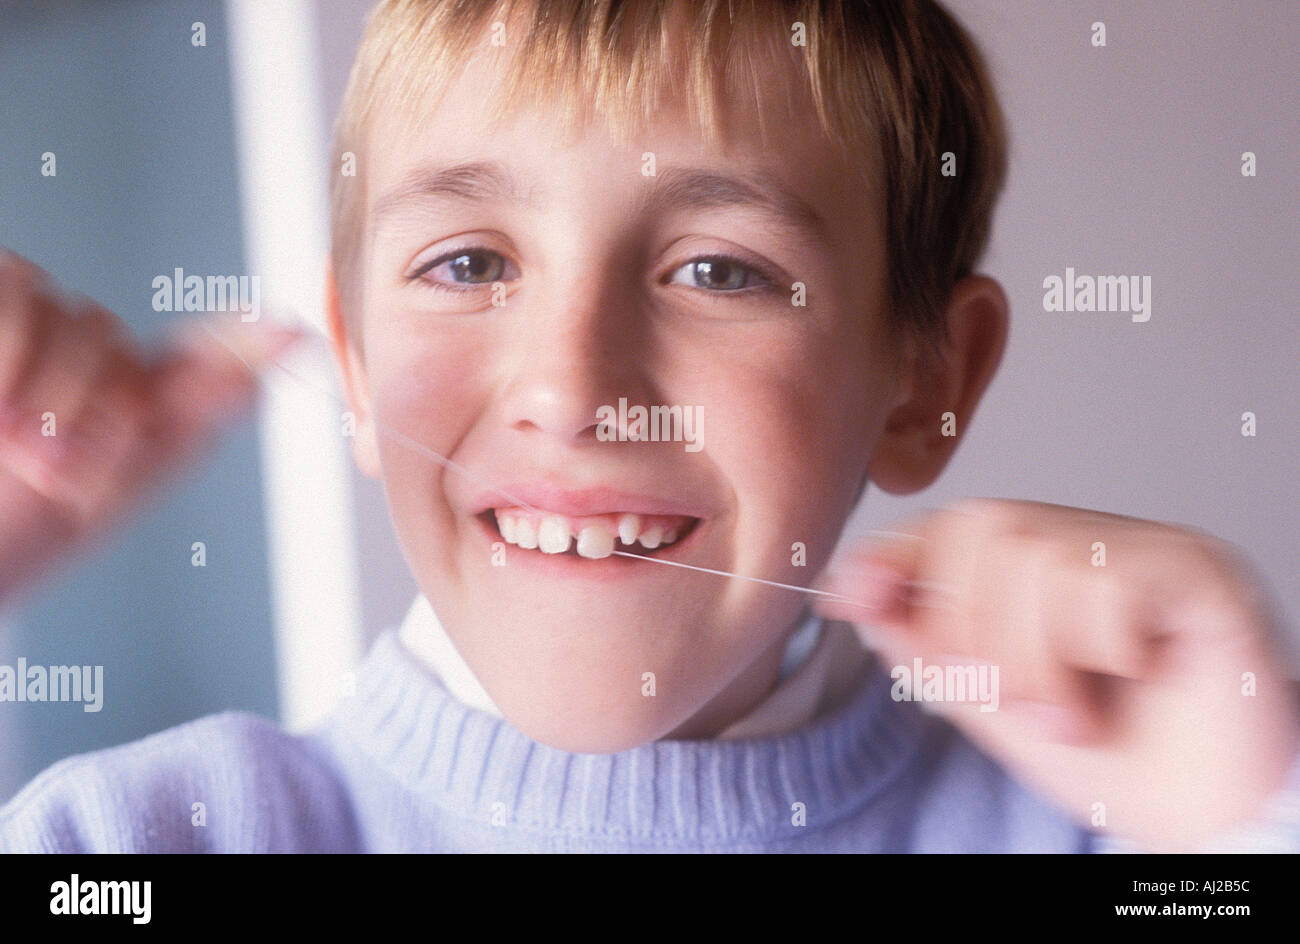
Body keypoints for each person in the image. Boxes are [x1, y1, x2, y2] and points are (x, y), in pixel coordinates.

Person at [1, 0, 1296, 852]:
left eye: (721, 272)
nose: (574, 392)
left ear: (927, 381)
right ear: (354, 366)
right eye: (468, 263)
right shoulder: (126, 849)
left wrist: (1255, 825)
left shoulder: (1136, 840)